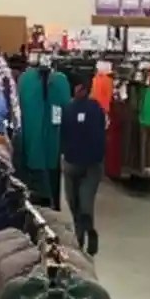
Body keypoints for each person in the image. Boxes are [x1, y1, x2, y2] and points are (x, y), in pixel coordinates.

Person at [59, 83, 106, 255]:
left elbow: (62, 132)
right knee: (79, 203)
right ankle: (84, 232)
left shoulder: (69, 109)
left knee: (79, 203)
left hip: (80, 163)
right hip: (87, 163)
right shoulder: (95, 108)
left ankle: (83, 234)